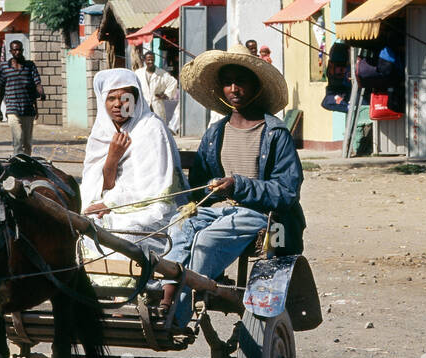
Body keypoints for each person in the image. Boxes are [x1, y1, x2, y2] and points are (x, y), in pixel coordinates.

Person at [165, 46, 304, 326]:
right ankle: (163, 296)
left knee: (206, 241)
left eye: (241, 81)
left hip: (260, 215)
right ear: (220, 90)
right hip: (220, 211)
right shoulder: (215, 133)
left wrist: (237, 186)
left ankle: (175, 319)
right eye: (227, 82)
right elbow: (199, 185)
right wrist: (209, 188)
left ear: (256, 86)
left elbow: (287, 192)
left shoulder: (275, 133)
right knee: (178, 226)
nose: (234, 88)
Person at [80, 68, 183, 251]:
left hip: (149, 207)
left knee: (124, 232)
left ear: (135, 99)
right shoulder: (100, 133)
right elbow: (98, 186)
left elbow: (156, 188)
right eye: (111, 98)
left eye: (125, 98)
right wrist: (112, 157)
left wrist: (112, 204)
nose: (118, 104)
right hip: (112, 203)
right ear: (103, 101)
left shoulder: (150, 128)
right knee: (83, 224)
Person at [0, 38, 45, 156]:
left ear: (23, 50)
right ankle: (18, 165)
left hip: (28, 110)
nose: (17, 52)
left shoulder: (30, 66)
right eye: (15, 50)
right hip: (12, 110)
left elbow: (36, 85)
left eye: (19, 50)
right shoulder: (4, 67)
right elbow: (1, 90)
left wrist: (41, 93)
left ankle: (27, 164)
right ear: (11, 51)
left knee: (27, 143)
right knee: (18, 141)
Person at [133, 48, 178, 125]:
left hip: (157, 105)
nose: (150, 61)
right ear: (144, 60)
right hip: (143, 105)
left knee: (159, 126)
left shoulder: (161, 73)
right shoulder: (138, 73)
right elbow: (134, 86)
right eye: (148, 60)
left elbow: (173, 82)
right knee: (143, 125)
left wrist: (166, 95)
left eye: (152, 59)